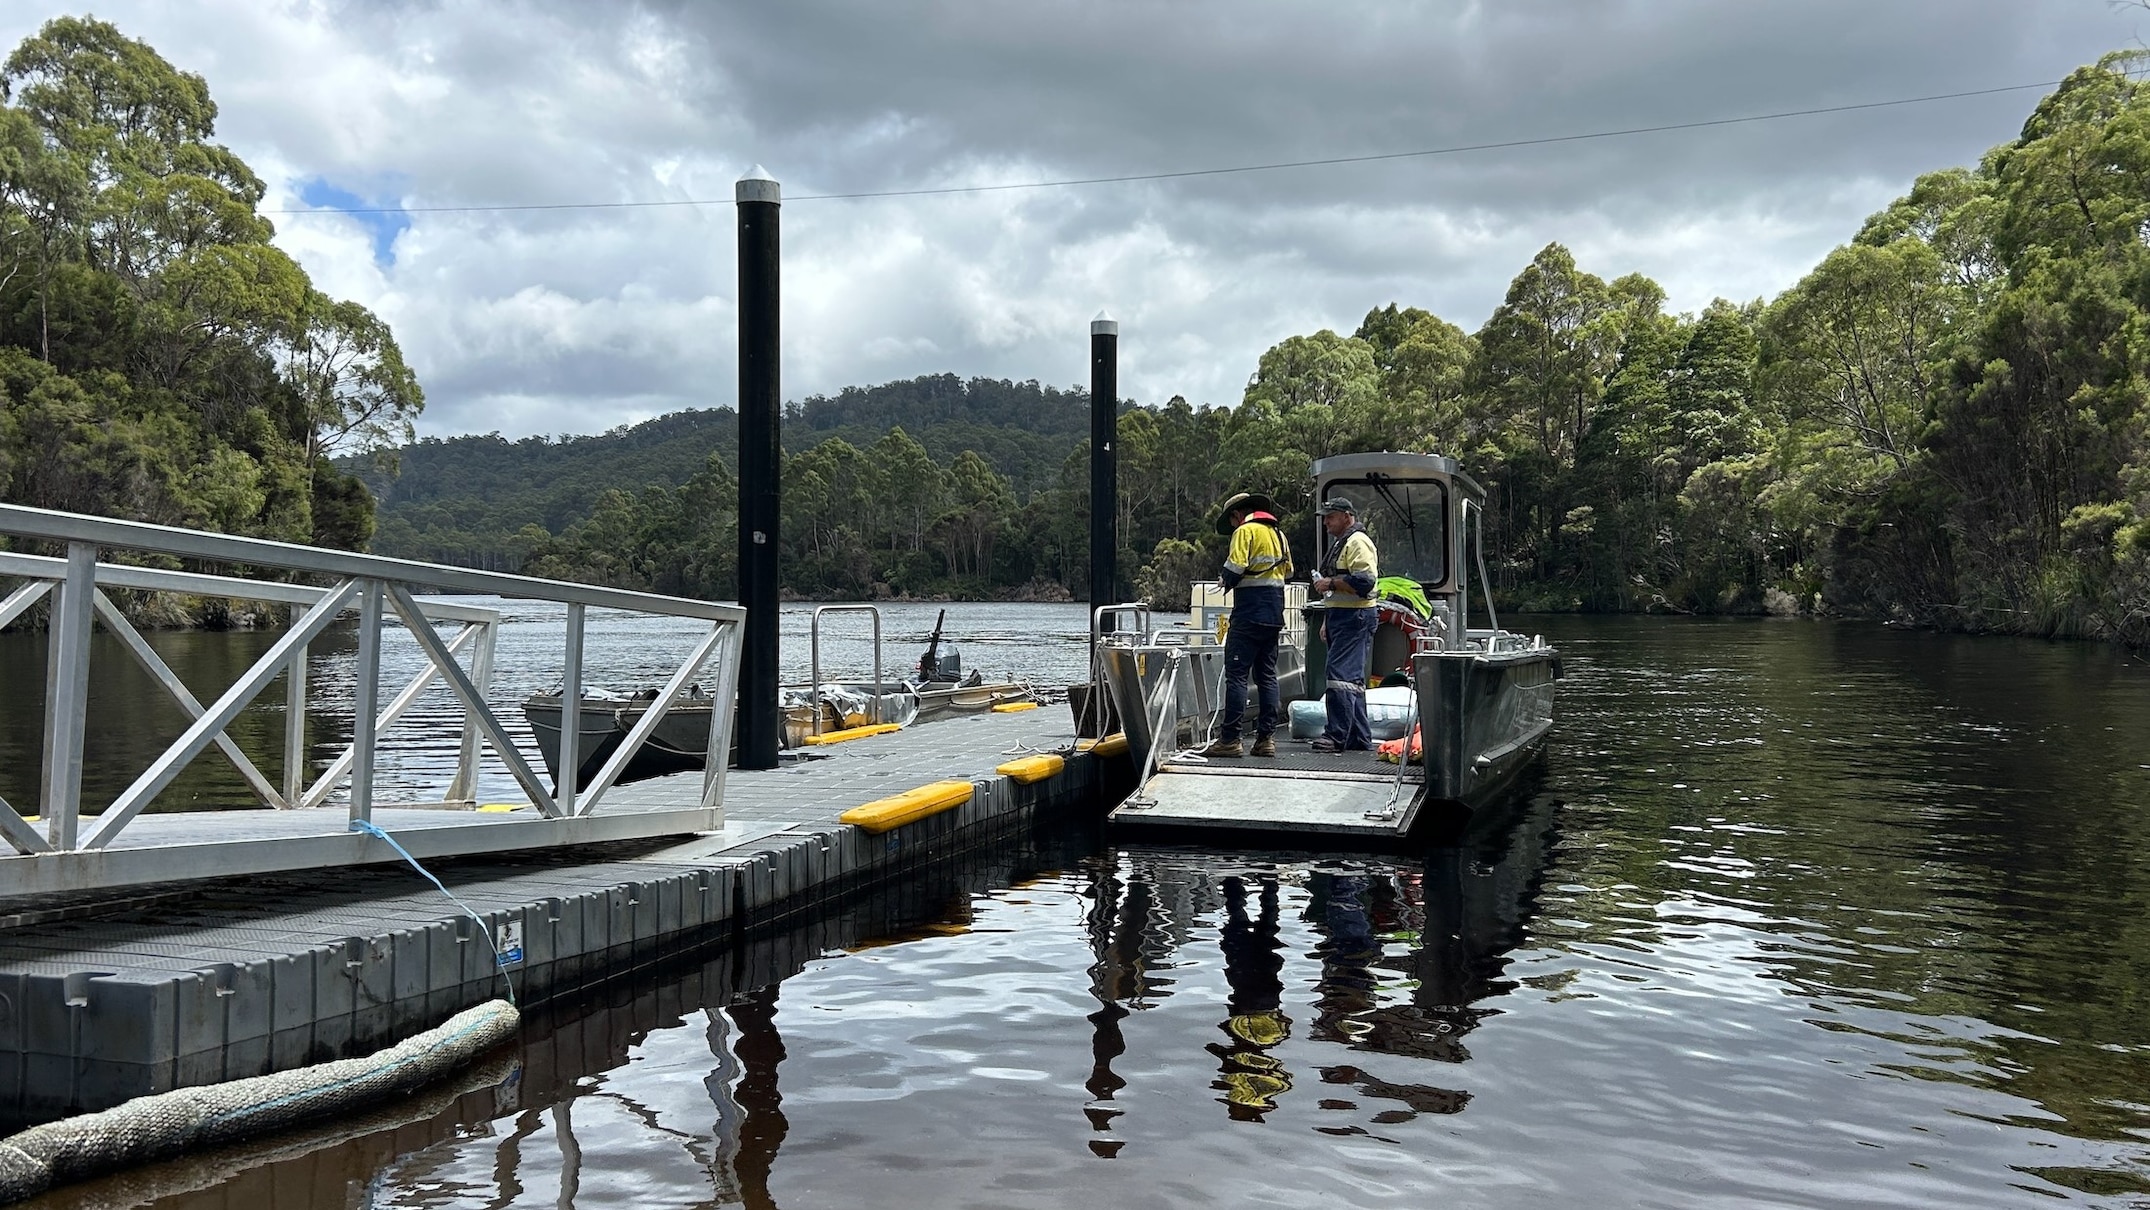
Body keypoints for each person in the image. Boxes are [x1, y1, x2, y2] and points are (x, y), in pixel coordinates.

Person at [1203, 491, 1293, 758]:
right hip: (1275, 611)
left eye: (1232, 521)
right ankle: (1266, 739)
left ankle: (1230, 739)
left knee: (1237, 675)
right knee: (1266, 675)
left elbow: (1234, 567)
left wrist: (1225, 580)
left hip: (1249, 611)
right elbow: (1289, 572)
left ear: (1237, 515)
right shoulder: (1279, 534)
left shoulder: (1244, 531)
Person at [1310, 496, 1379, 753]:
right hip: (1341, 617)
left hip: (1355, 618)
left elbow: (1364, 581)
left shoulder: (1358, 542)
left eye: (1331, 516)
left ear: (1347, 516)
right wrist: (1328, 620)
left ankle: (1336, 735)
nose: (1326, 522)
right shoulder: (1344, 542)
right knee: (1352, 681)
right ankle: (1359, 737)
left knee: (1339, 677)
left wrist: (1329, 583)